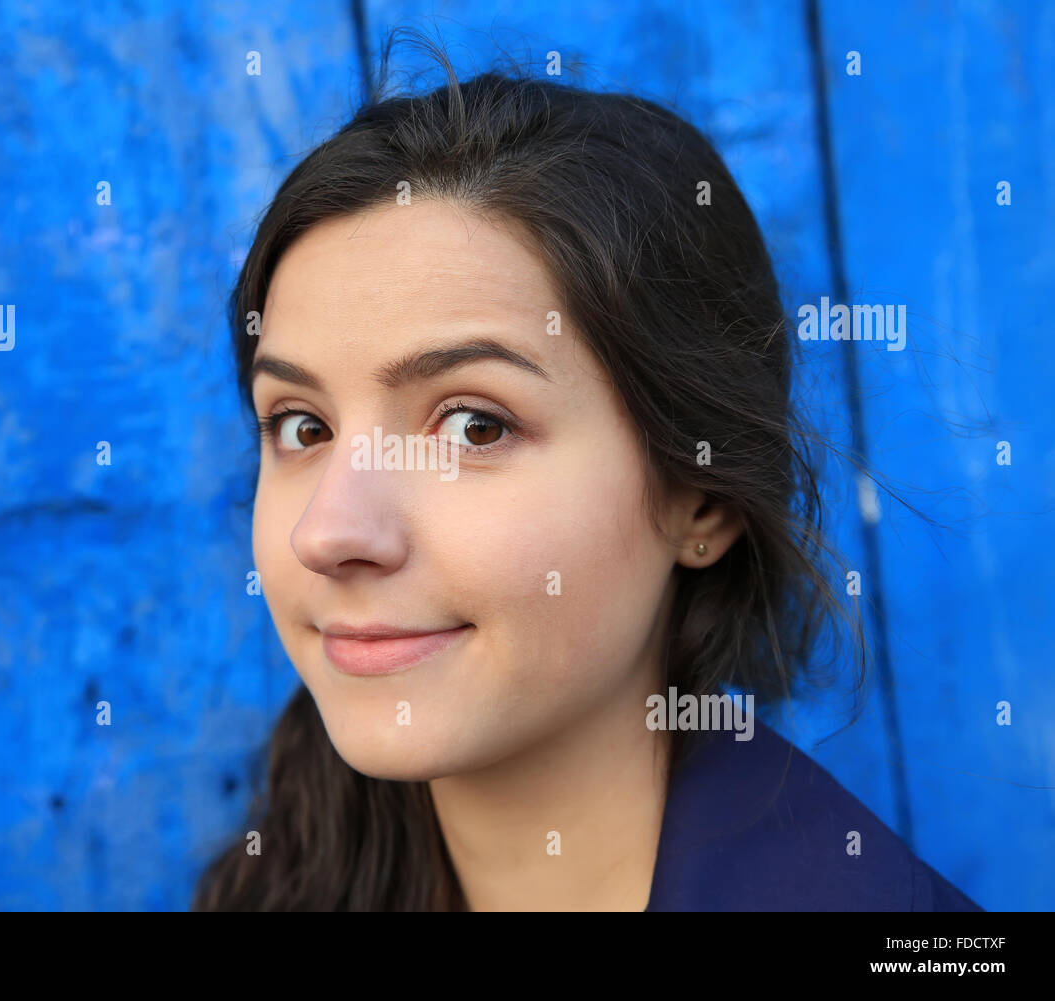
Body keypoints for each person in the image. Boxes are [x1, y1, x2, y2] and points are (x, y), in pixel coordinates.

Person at [192, 40, 981, 912]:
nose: (327, 533)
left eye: (473, 425)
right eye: (301, 427)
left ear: (702, 499)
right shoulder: (287, 877)